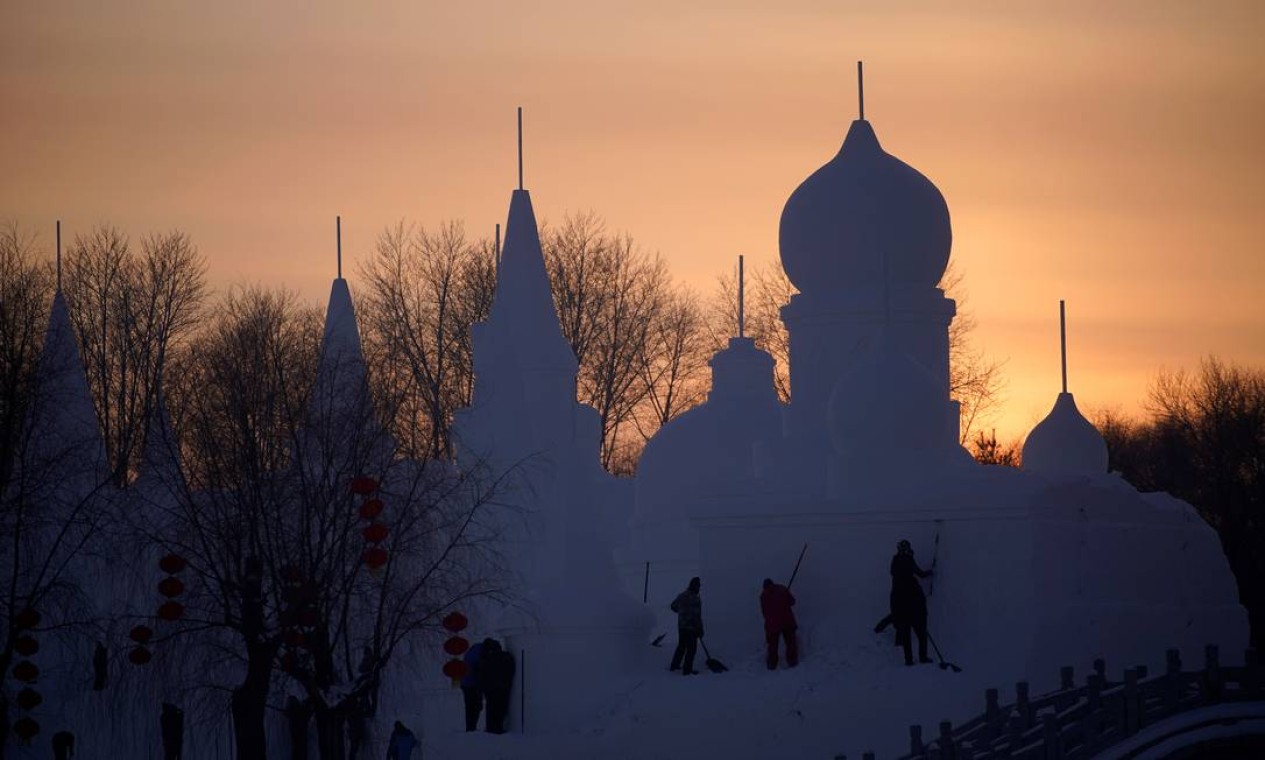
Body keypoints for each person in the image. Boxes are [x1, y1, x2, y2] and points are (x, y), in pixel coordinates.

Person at [889, 539, 933, 666]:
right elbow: (920, 573)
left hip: (899, 606)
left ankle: (908, 660)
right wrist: (930, 572)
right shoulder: (908, 561)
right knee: (921, 633)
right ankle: (923, 657)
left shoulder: (895, 562)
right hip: (913, 606)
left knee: (906, 634)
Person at [475, 639, 515, 734]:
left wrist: (480, 691)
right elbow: (511, 668)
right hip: (502, 687)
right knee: (500, 708)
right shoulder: (506, 656)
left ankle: (492, 728)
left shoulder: (485, 659)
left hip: (490, 689)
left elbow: (480, 676)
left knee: (491, 708)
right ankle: (497, 727)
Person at [760, 578, 798, 669]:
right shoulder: (782, 589)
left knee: (773, 645)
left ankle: (772, 665)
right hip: (787, 621)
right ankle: (792, 661)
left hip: (772, 625)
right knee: (790, 642)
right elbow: (792, 602)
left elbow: (764, 612)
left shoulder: (763, 596)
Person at [669, 577, 703, 676]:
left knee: (681, 646)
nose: (699, 588)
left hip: (682, 626)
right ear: (694, 586)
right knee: (692, 649)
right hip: (691, 628)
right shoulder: (696, 599)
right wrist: (700, 630)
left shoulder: (682, 595)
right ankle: (687, 670)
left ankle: (674, 666)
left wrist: (682, 612)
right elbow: (697, 617)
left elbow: (673, 606)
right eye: (698, 586)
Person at [461, 639, 486, 731]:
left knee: (469, 706)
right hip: (472, 684)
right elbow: (480, 673)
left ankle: (470, 727)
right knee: (476, 706)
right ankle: (472, 727)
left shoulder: (473, 650)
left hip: (464, 683)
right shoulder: (480, 655)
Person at [284, 695, 311, 760]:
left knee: (299, 749)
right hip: (298, 734)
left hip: (298, 733)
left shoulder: (300, 711)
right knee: (299, 749)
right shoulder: (301, 711)